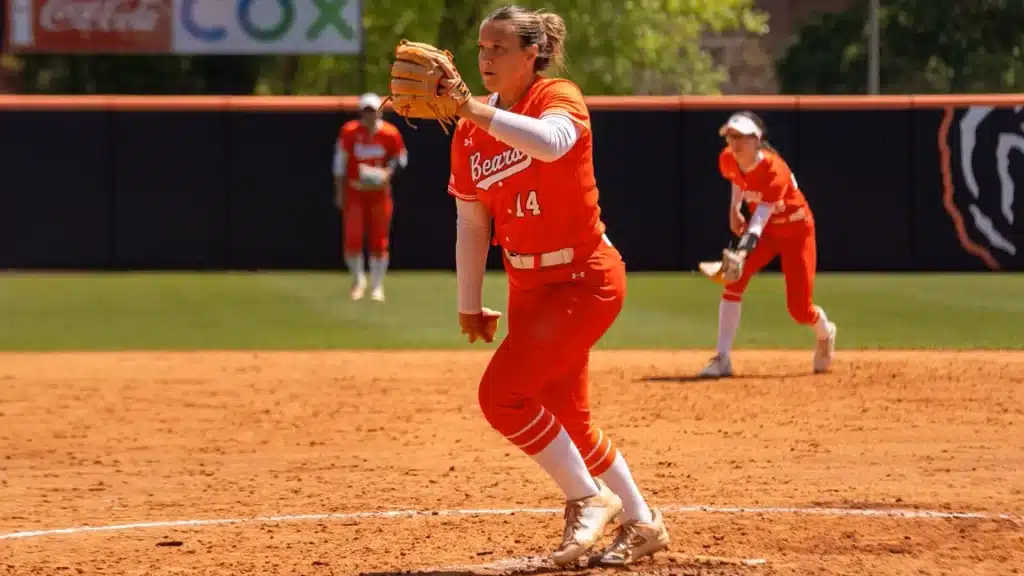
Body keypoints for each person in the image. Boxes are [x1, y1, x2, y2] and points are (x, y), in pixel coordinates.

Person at [445, 4, 670, 568]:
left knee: (501, 397)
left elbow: (551, 143)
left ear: (532, 54)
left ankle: (587, 496)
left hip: (584, 278)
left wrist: (470, 108)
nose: (486, 58)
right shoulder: (469, 134)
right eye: (482, 48)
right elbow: (472, 222)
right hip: (528, 284)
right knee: (570, 416)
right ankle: (643, 523)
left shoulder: (558, 97)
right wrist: (469, 302)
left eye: (499, 48)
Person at [699, 111, 837, 378]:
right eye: (730, 136)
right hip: (768, 235)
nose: (735, 143)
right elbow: (737, 179)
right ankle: (722, 358)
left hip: (796, 232)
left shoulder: (775, 171)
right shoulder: (728, 158)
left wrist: (741, 252)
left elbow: (760, 219)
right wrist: (734, 207)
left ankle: (824, 332)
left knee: (799, 309)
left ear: (756, 139)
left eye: (741, 137)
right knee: (733, 282)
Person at [332, 92, 408, 302]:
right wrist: (339, 191)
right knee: (353, 237)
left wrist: (387, 173)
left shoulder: (390, 133)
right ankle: (358, 280)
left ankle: (377, 285)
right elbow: (339, 163)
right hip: (355, 192)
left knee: (379, 239)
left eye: (372, 111)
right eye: (365, 111)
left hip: (379, 194)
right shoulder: (349, 132)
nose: (369, 116)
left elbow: (401, 158)